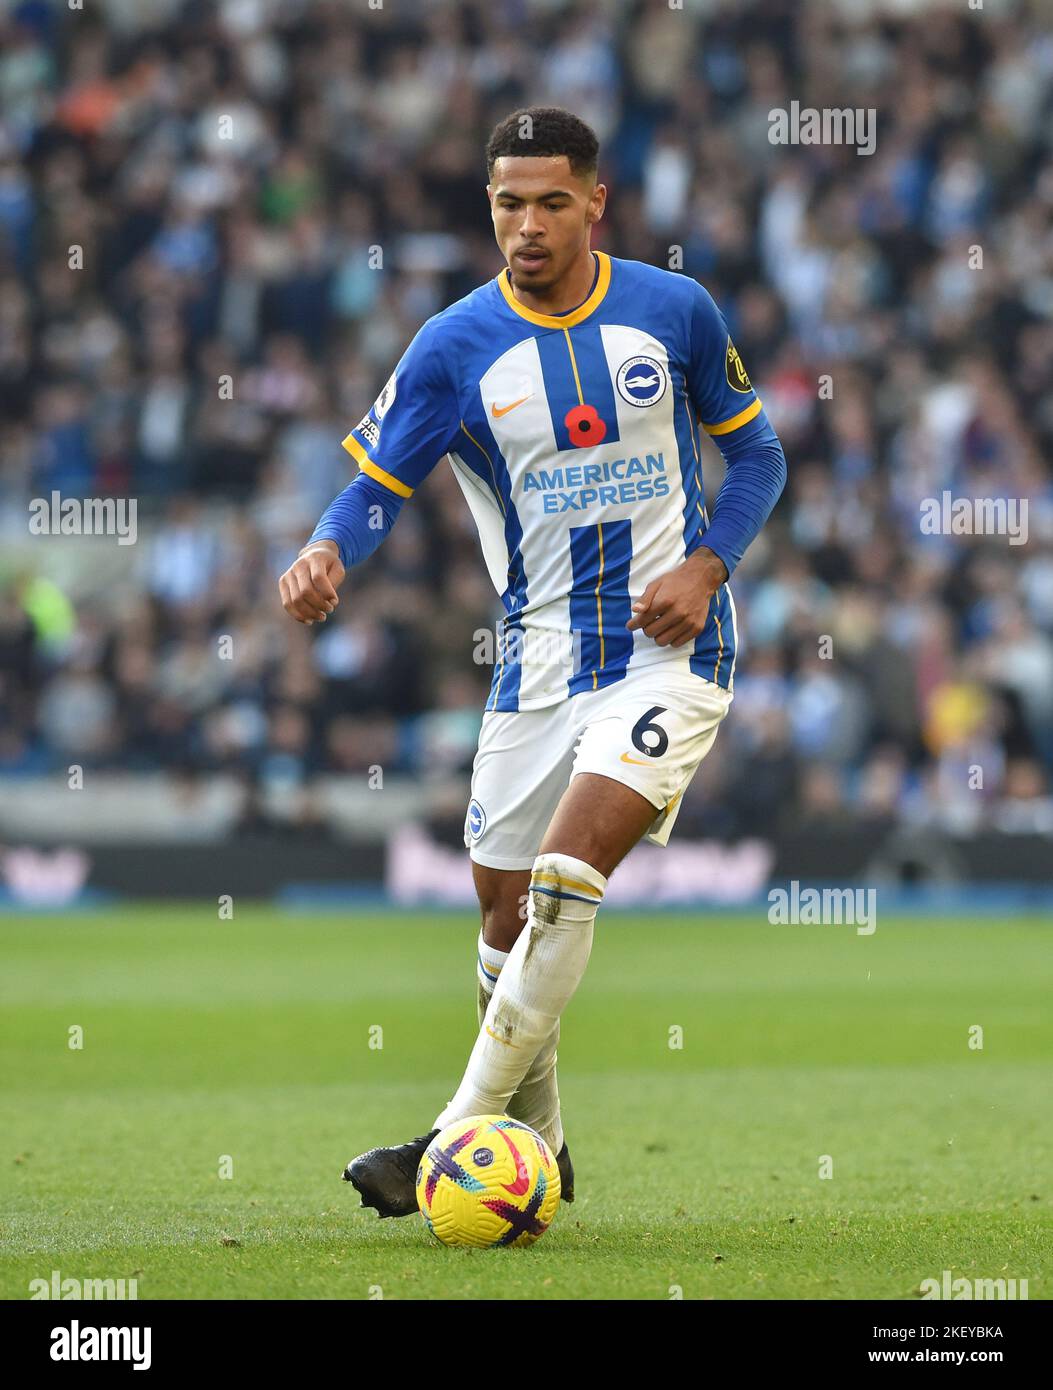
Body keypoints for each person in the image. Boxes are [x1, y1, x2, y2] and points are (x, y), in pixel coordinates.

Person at [278, 106, 787, 1217]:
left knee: (567, 879)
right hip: (535, 666)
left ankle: (449, 1142)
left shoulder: (675, 312)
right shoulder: (455, 346)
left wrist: (708, 565)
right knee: (506, 923)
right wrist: (326, 548)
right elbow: (376, 487)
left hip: (670, 652)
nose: (528, 225)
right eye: (509, 203)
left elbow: (758, 452)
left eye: (553, 201)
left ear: (596, 202)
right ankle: (541, 1150)